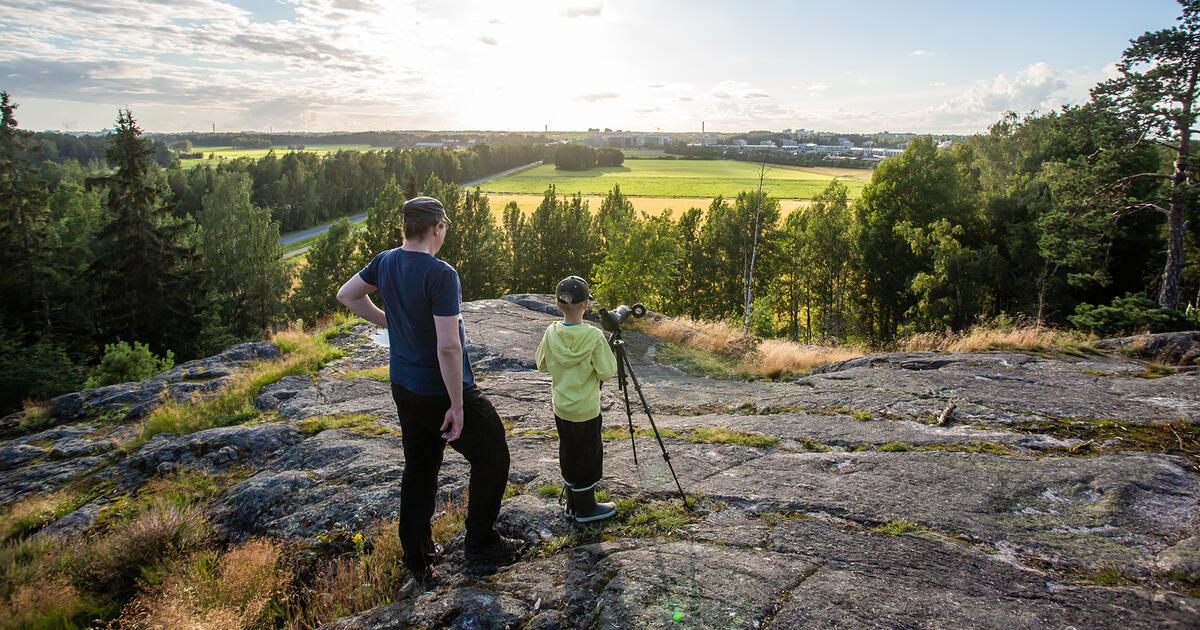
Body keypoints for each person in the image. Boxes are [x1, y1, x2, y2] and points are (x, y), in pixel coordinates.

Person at [336, 196, 520, 584]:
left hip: (403, 386)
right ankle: (481, 541)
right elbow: (448, 346)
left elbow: (347, 295)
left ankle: (416, 555)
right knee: (493, 455)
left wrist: (392, 322)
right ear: (437, 228)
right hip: (441, 390)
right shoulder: (440, 274)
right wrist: (457, 404)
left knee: (419, 468)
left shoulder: (385, 261)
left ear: (407, 227)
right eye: (445, 229)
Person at [535, 275, 619, 522]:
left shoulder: (551, 332)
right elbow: (607, 372)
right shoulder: (593, 337)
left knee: (569, 450)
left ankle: (572, 503)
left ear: (557, 303)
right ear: (586, 305)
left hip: (561, 407)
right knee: (588, 456)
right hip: (585, 410)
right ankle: (586, 509)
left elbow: (541, 365)